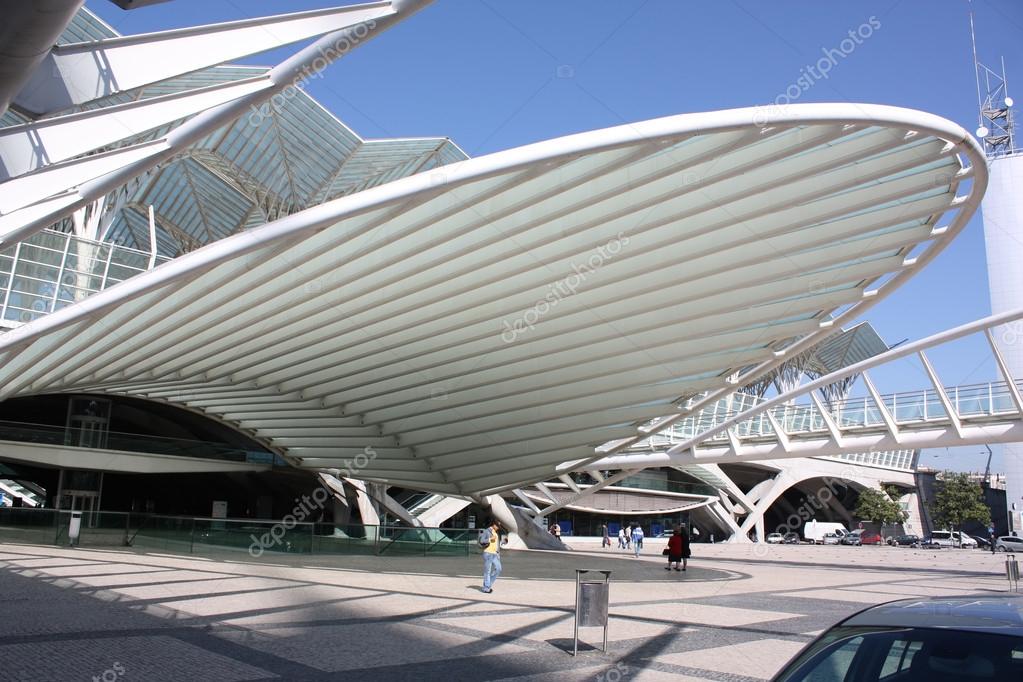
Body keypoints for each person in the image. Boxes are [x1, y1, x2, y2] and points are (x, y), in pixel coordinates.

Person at [479, 519, 503, 593]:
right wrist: (490, 539)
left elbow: (496, 544)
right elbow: (482, 540)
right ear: (493, 524)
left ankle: (488, 585)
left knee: (499, 569)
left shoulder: (495, 532)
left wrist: (498, 553)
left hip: (495, 554)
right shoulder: (487, 531)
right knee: (487, 571)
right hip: (488, 553)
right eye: (497, 526)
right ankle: (486, 588)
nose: (498, 527)